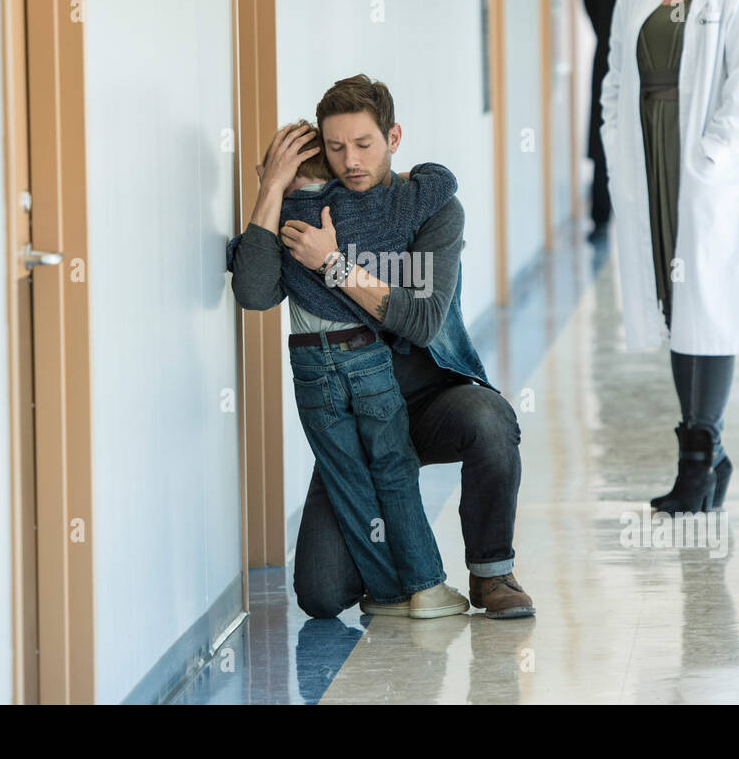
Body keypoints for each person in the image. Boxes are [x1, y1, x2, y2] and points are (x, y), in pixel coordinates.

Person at [229, 74, 535, 620]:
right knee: (322, 594)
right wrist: (271, 191)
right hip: (348, 411)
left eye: (364, 145)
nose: (350, 161)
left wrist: (334, 264)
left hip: (430, 397)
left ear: (393, 138)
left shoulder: (425, 209)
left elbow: (419, 320)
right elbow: (254, 294)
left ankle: (493, 575)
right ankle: (396, 582)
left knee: (492, 422)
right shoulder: (311, 207)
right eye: (336, 147)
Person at [599, 0, 739, 513]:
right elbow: (616, 81)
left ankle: (699, 460)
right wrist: (618, 149)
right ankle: (707, 454)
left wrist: (708, 152)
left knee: (714, 307)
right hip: (648, 159)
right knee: (675, 306)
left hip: (706, 171)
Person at [582, 0, 666, 240]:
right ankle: (601, 216)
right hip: (612, 60)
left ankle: (658, 209)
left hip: (659, 59)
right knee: (608, 130)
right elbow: (592, 6)